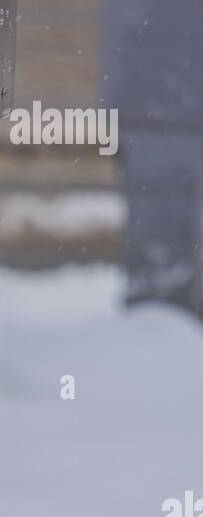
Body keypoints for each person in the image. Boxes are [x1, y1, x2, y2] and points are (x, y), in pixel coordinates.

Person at [103, 0, 203, 314]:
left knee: (161, 203)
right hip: (160, 109)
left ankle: (162, 290)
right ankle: (159, 292)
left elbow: (117, 42)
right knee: (157, 203)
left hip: (162, 108)